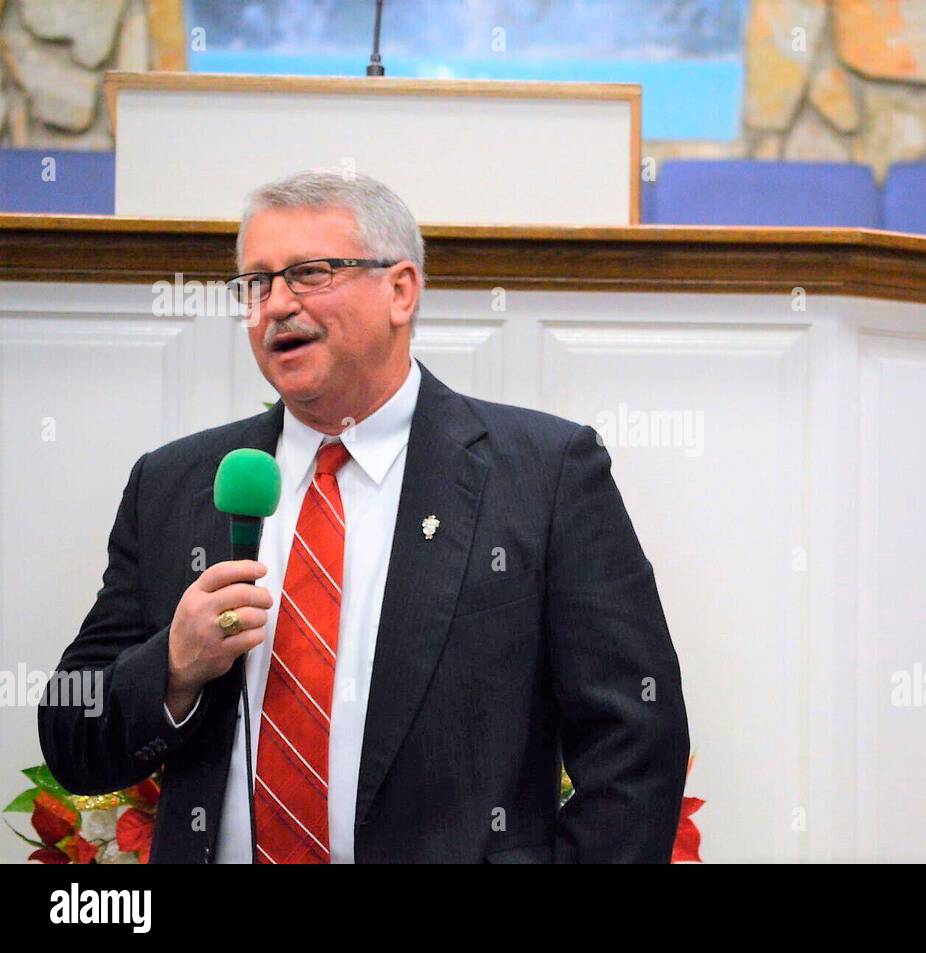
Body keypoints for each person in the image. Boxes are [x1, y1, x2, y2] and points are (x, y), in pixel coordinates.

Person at [37, 170, 690, 863]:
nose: (276, 305)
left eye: (309, 273)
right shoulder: (175, 485)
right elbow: (73, 734)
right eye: (255, 284)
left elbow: (636, 738)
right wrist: (174, 666)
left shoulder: (543, 474)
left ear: (400, 290)